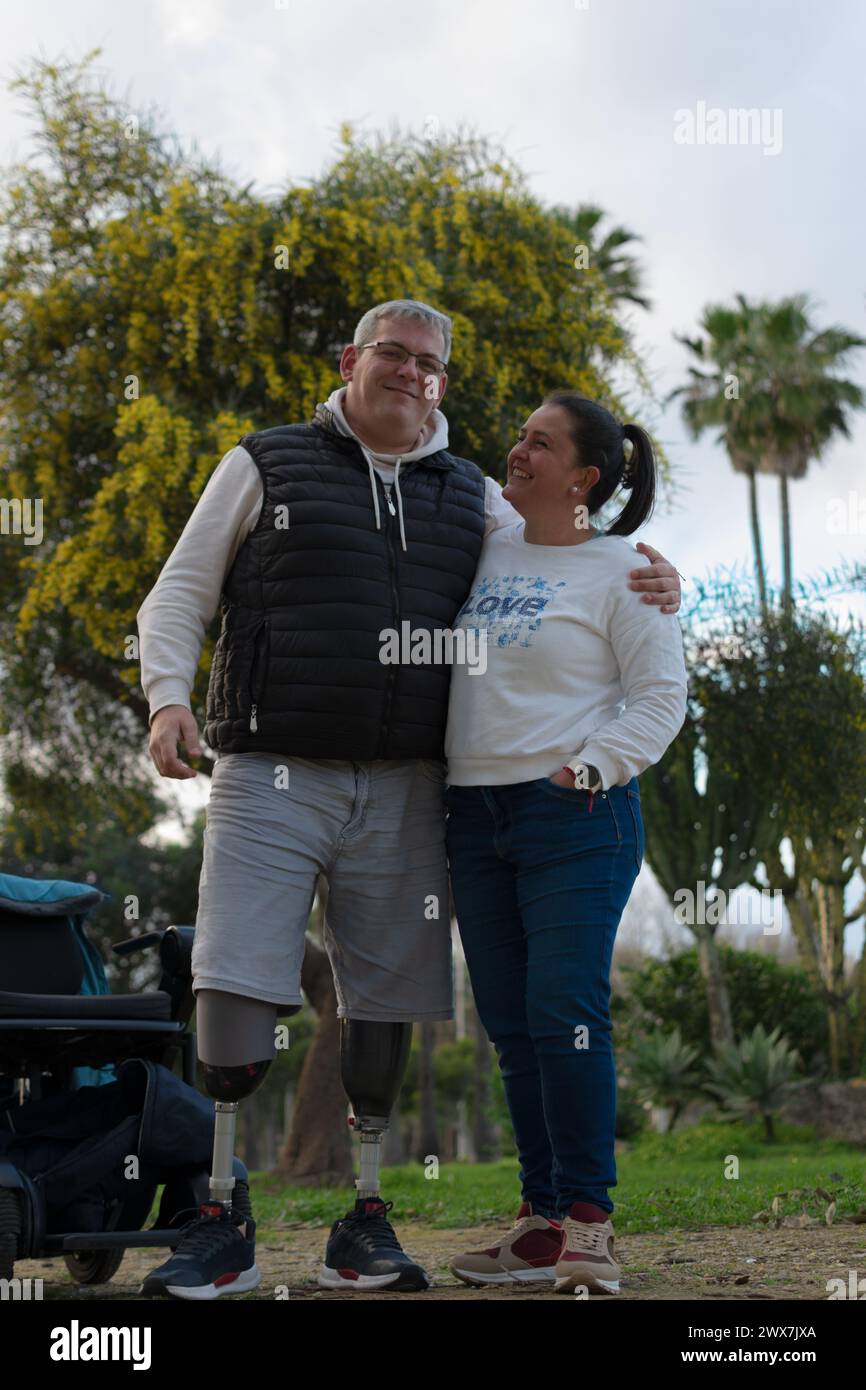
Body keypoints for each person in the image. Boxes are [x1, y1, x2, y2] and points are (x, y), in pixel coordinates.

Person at [136, 300, 683, 1298]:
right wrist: (168, 697)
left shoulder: (470, 494)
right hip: (273, 769)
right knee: (233, 991)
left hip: (412, 786)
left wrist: (653, 573)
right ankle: (220, 1215)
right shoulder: (261, 462)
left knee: (387, 1005)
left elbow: (573, 555)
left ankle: (370, 1221)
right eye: (391, 353)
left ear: (441, 382)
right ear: (350, 359)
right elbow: (180, 591)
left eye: (429, 363)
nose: (409, 372)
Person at [443, 391, 688, 1295]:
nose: (517, 452)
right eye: (518, 437)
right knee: (512, 1026)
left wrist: (588, 769)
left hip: (577, 815)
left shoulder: (626, 570)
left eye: (539, 445)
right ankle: (541, 1223)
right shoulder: (483, 534)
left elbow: (662, 699)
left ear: (583, 477)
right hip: (472, 815)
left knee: (567, 1013)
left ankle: (590, 1223)